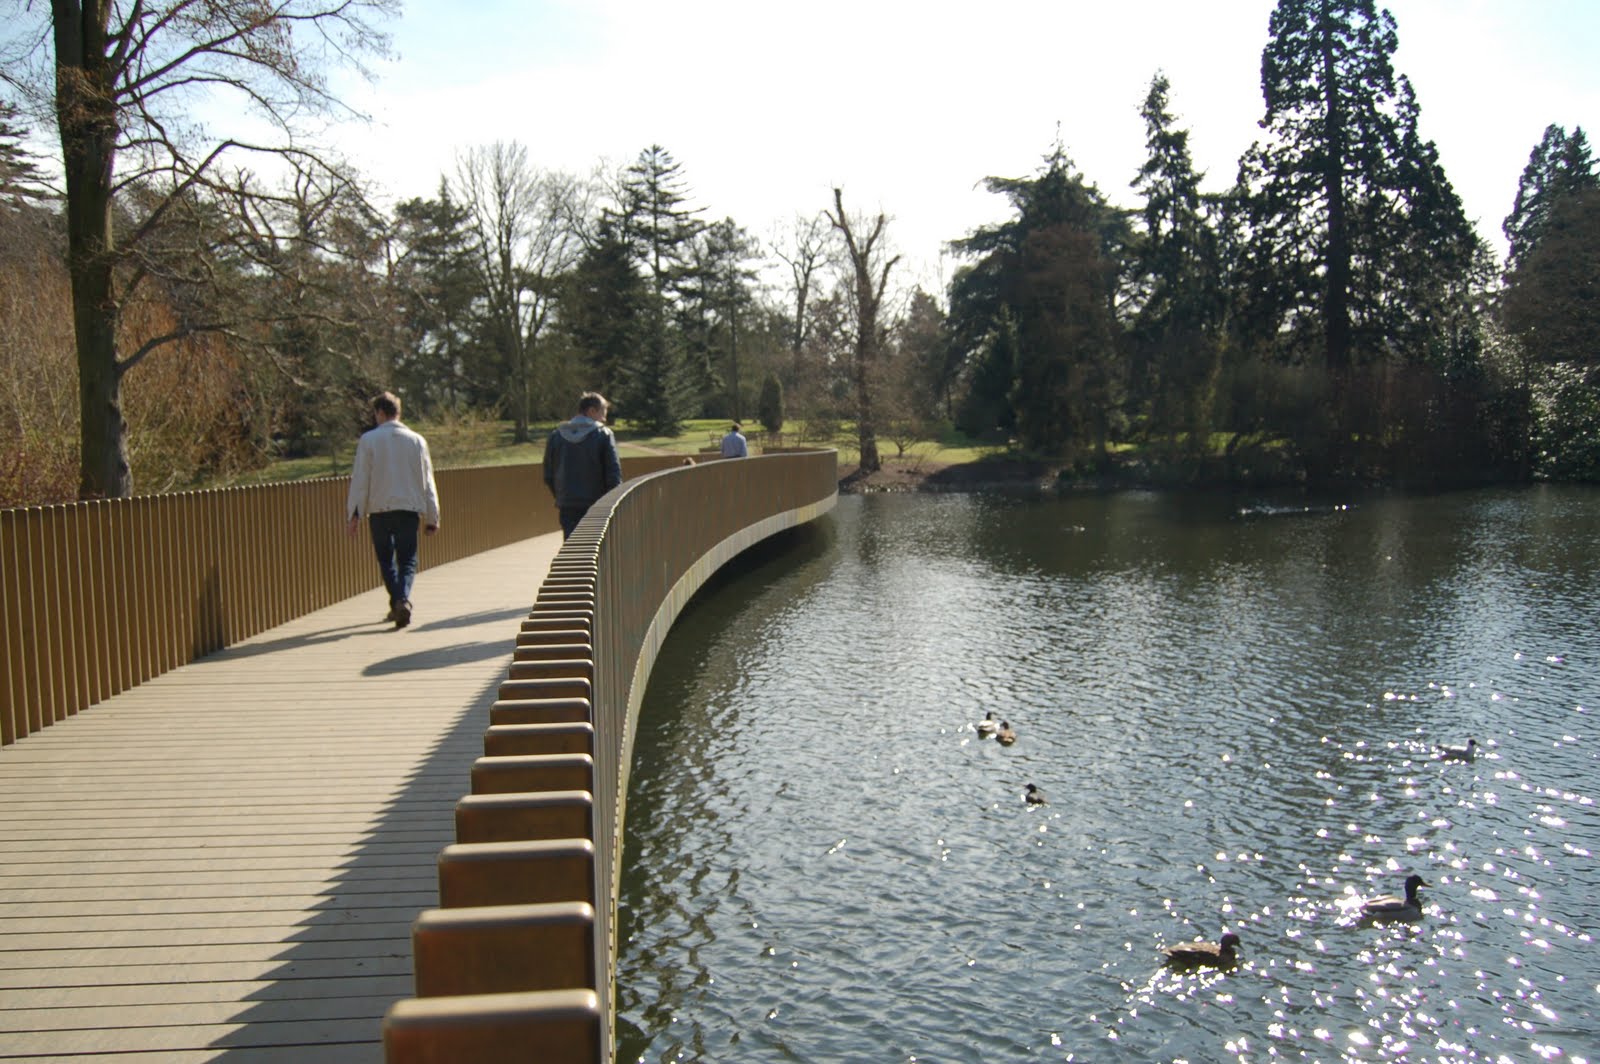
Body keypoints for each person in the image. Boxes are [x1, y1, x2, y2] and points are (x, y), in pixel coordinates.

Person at [345, 391, 440, 629]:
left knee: (386, 559)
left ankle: (398, 602)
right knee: (407, 560)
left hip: (379, 510)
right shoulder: (417, 440)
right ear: (398, 412)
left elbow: (361, 479)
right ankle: (401, 601)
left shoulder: (368, 440)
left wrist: (355, 513)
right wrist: (432, 516)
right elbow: (427, 480)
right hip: (408, 509)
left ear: (380, 412)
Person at [544, 391, 623, 539]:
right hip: (598, 505)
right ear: (592, 411)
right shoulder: (603, 434)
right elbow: (614, 475)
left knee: (572, 546)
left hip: (567, 504)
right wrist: (613, 503)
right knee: (597, 548)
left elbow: (548, 475)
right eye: (603, 414)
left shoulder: (556, 435)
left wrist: (561, 496)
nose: (604, 419)